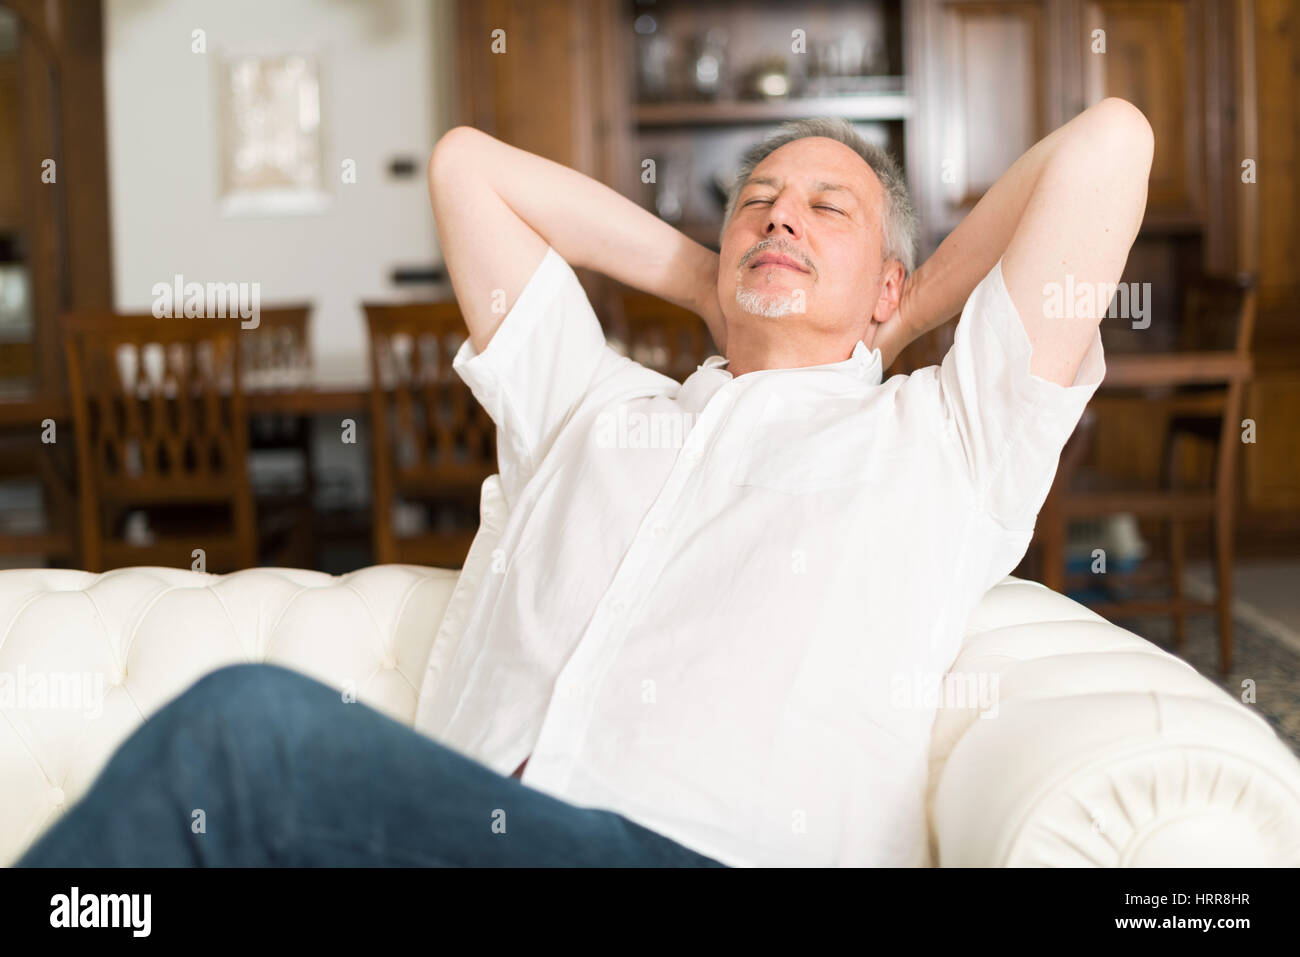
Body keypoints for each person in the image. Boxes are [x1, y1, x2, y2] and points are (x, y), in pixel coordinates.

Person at [18, 99, 1152, 868]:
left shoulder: (940, 438)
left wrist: (900, 321)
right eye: (756, 199)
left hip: (688, 853)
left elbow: (1108, 142)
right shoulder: (594, 407)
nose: (780, 214)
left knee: (240, 731)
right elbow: (467, 168)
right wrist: (708, 284)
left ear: (889, 279)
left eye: (826, 206)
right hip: (466, 833)